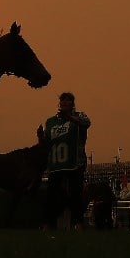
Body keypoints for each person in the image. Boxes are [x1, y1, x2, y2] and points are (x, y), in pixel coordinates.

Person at [42, 92, 91, 231]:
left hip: (75, 163)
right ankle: (47, 224)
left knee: (75, 194)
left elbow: (86, 124)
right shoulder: (51, 121)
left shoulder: (80, 115)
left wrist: (69, 117)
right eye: (62, 101)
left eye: (68, 101)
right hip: (56, 165)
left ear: (72, 104)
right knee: (51, 195)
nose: (64, 103)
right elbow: (46, 141)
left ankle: (78, 223)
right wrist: (40, 137)